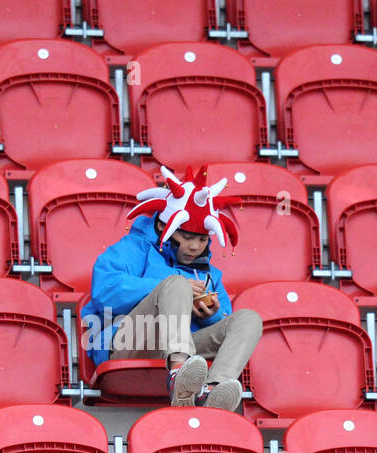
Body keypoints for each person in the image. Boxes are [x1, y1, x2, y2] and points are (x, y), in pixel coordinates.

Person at [81, 166, 262, 410]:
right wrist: (171, 287)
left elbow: (224, 323)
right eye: (186, 237)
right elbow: (105, 291)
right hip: (129, 342)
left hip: (186, 348)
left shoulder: (209, 273)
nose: (194, 246)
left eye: (202, 239)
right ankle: (179, 372)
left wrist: (212, 315)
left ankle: (212, 389)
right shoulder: (134, 248)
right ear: (163, 226)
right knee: (176, 284)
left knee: (248, 319)